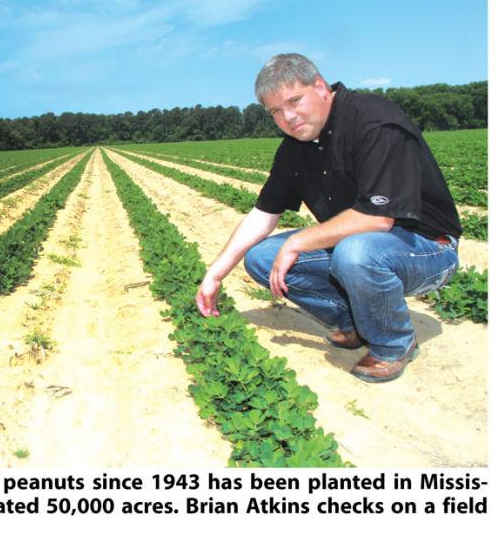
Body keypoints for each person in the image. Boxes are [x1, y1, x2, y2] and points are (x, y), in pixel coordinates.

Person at [196, 53, 461, 383]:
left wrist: (298, 240)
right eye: (276, 111)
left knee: (355, 254)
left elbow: (378, 219)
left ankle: (394, 343)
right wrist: (214, 275)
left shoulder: (373, 121)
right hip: (361, 246)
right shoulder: (295, 147)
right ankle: (354, 321)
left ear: (320, 86)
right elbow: (264, 214)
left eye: (295, 101)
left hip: (427, 248)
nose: (288, 117)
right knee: (262, 257)